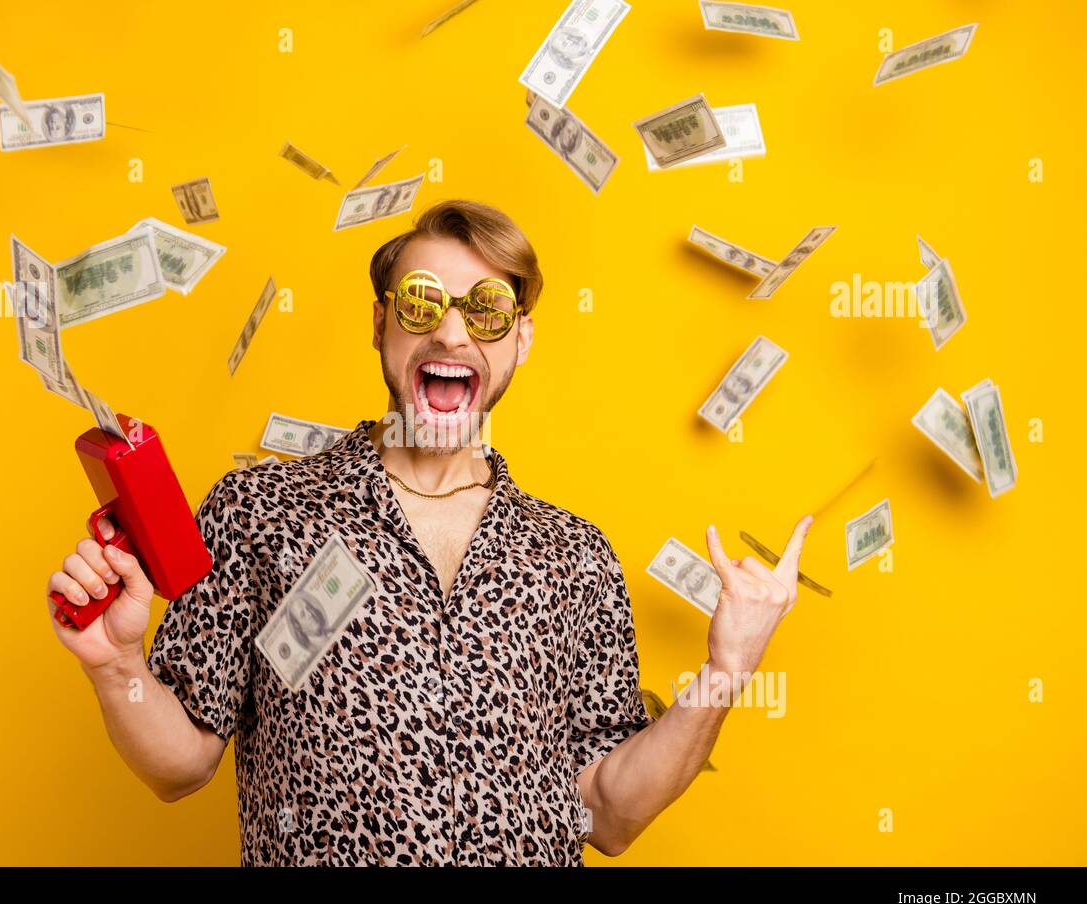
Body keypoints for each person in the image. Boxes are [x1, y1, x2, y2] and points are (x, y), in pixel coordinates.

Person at [45, 199, 812, 865]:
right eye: (421, 303)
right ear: (381, 323)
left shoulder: (573, 558)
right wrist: (116, 669)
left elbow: (608, 814)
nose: (451, 334)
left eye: (484, 311)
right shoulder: (262, 513)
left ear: (520, 340)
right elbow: (182, 765)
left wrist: (728, 668)